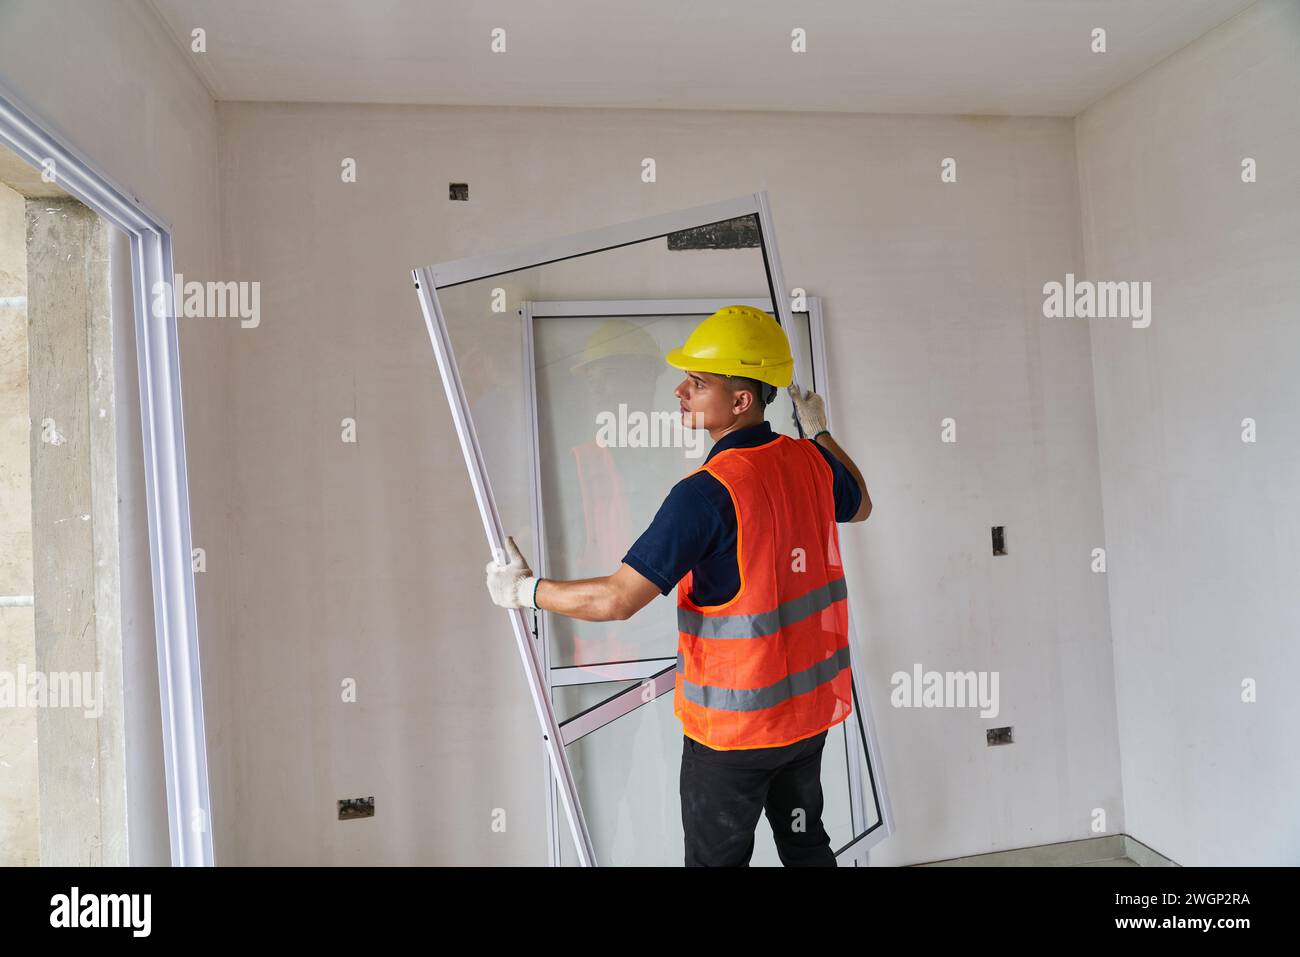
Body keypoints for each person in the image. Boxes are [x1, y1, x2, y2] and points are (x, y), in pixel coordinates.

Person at [485, 304, 872, 866]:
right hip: (806, 718)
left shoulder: (707, 493)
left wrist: (525, 591)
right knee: (807, 844)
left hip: (734, 735)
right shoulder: (809, 462)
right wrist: (819, 430)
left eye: (698, 382)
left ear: (741, 401)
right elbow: (860, 503)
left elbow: (618, 599)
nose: (680, 392)